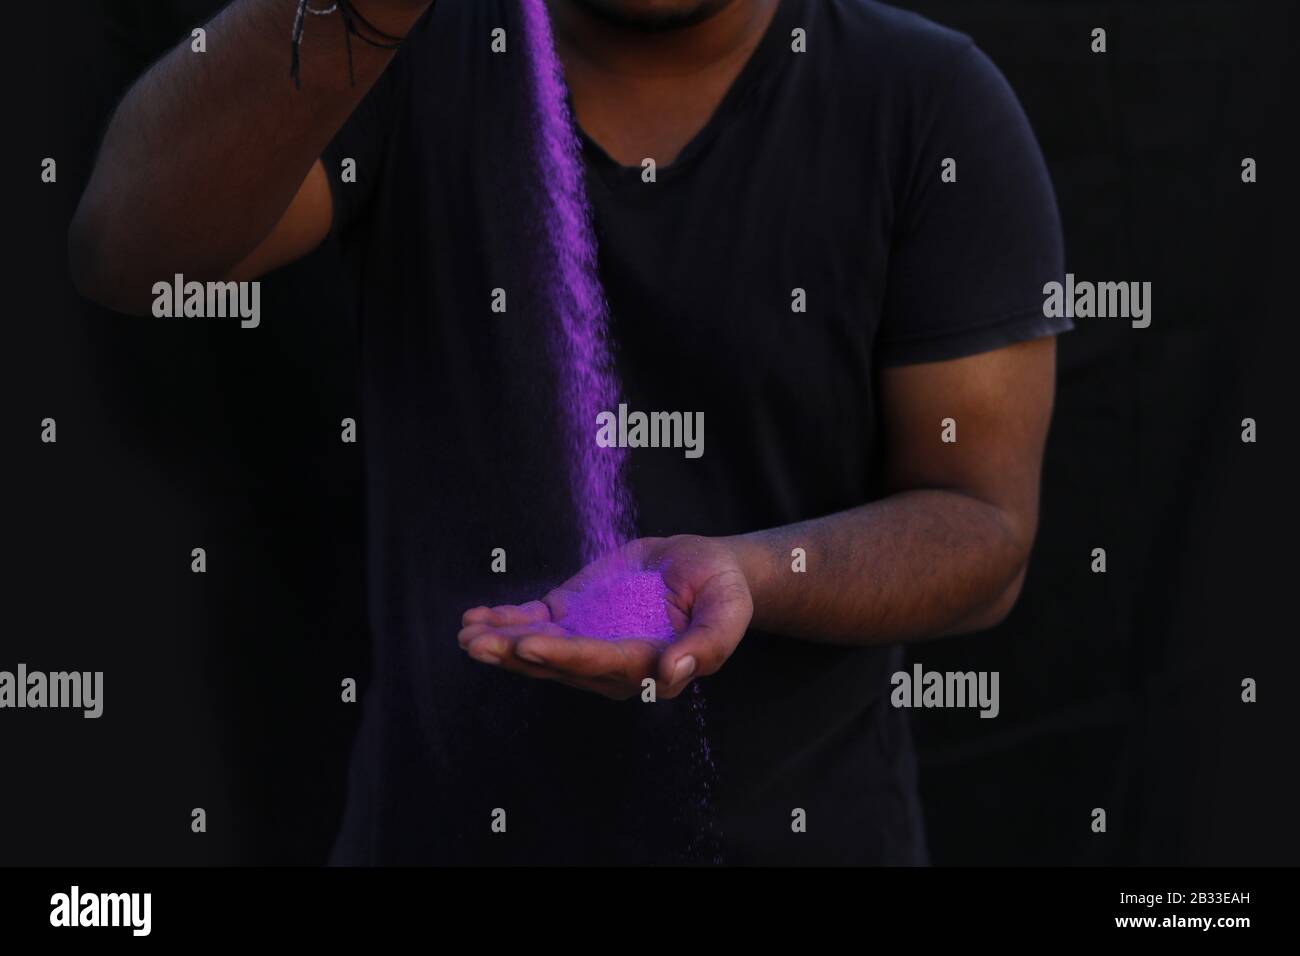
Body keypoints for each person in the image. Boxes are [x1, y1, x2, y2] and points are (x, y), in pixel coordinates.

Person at [69, 0, 1071, 865]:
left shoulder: (925, 100)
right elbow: (130, 252)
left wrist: (750, 573)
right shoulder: (398, 48)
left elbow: (983, 528)